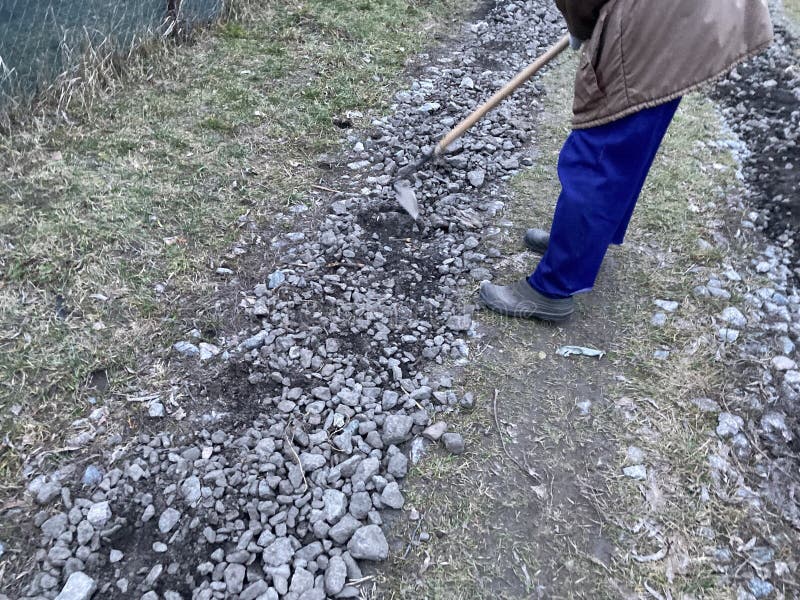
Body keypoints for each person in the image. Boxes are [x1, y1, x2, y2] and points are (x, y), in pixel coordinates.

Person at [479, 0, 773, 322]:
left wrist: (580, 25)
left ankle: (553, 287)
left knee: (599, 151)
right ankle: (579, 246)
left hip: (658, 16)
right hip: (682, 14)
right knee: (629, 144)